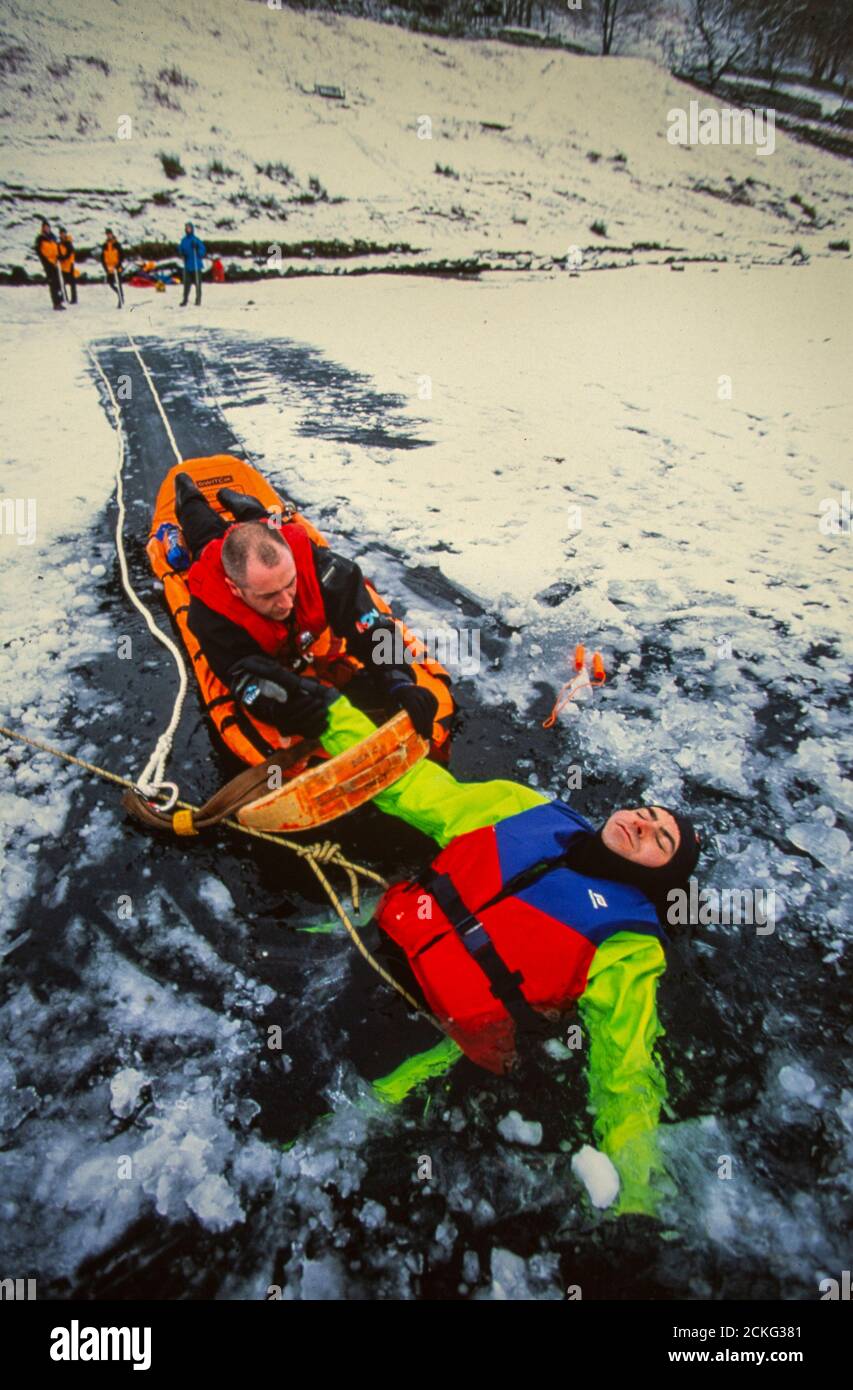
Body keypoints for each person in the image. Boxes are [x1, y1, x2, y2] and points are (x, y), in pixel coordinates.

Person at [314, 693, 702, 1216]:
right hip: (369, 948)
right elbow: (411, 785)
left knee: (330, 1127)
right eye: (648, 813)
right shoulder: (523, 810)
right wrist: (328, 711)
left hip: (436, 1032)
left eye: (660, 839)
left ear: (662, 876)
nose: (641, 823)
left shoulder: (629, 945)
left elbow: (626, 1073)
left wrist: (633, 1193)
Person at [173, 473, 452, 746]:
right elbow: (240, 674)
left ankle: (245, 506)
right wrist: (281, 708)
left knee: (261, 524)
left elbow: (368, 620)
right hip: (214, 551)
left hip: (263, 532)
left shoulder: (323, 570)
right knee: (205, 534)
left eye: (290, 584)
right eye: (268, 595)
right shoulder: (211, 613)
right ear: (235, 589)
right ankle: (188, 496)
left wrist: (398, 679)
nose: (286, 602)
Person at [35, 220, 65, 311]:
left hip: (55, 262)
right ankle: (55, 303)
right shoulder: (40, 239)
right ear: (42, 228)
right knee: (53, 283)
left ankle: (59, 301)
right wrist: (45, 262)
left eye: (48, 227)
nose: (47, 229)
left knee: (58, 283)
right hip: (48, 263)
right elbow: (40, 252)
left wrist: (59, 257)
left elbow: (57, 249)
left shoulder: (53, 237)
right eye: (45, 227)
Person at [179, 222, 205, 306]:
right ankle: (185, 299)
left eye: (189, 228)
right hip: (187, 265)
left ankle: (198, 299)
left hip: (196, 265)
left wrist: (197, 249)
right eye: (186, 228)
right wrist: (182, 254)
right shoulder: (184, 240)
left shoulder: (196, 240)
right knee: (186, 284)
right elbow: (180, 249)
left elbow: (202, 250)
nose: (188, 229)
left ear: (192, 229)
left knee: (198, 284)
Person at [101, 229, 124, 307]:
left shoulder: (117, 244)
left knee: (119, 283)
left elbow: (122, 256)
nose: (108, 235)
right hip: (109, 268)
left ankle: (120, 300)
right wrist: (105, 267)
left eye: (109, 234)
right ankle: (119, 294)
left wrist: (118, 265)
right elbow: (102, 258)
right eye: (107, 234)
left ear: (112, 234)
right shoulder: (104, 245)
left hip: (117, 267)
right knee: (110, 283)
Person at [57, 227, 77, 305]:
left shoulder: (69, 242)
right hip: (63, 265)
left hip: (69, 264)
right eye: (61, 233)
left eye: (63, 233)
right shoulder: (59, 243)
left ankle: (74, 298)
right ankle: (64, 297)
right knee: (63, 282)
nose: (62, 235)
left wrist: (62, 258)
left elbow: (70, 253)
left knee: (72, 282)